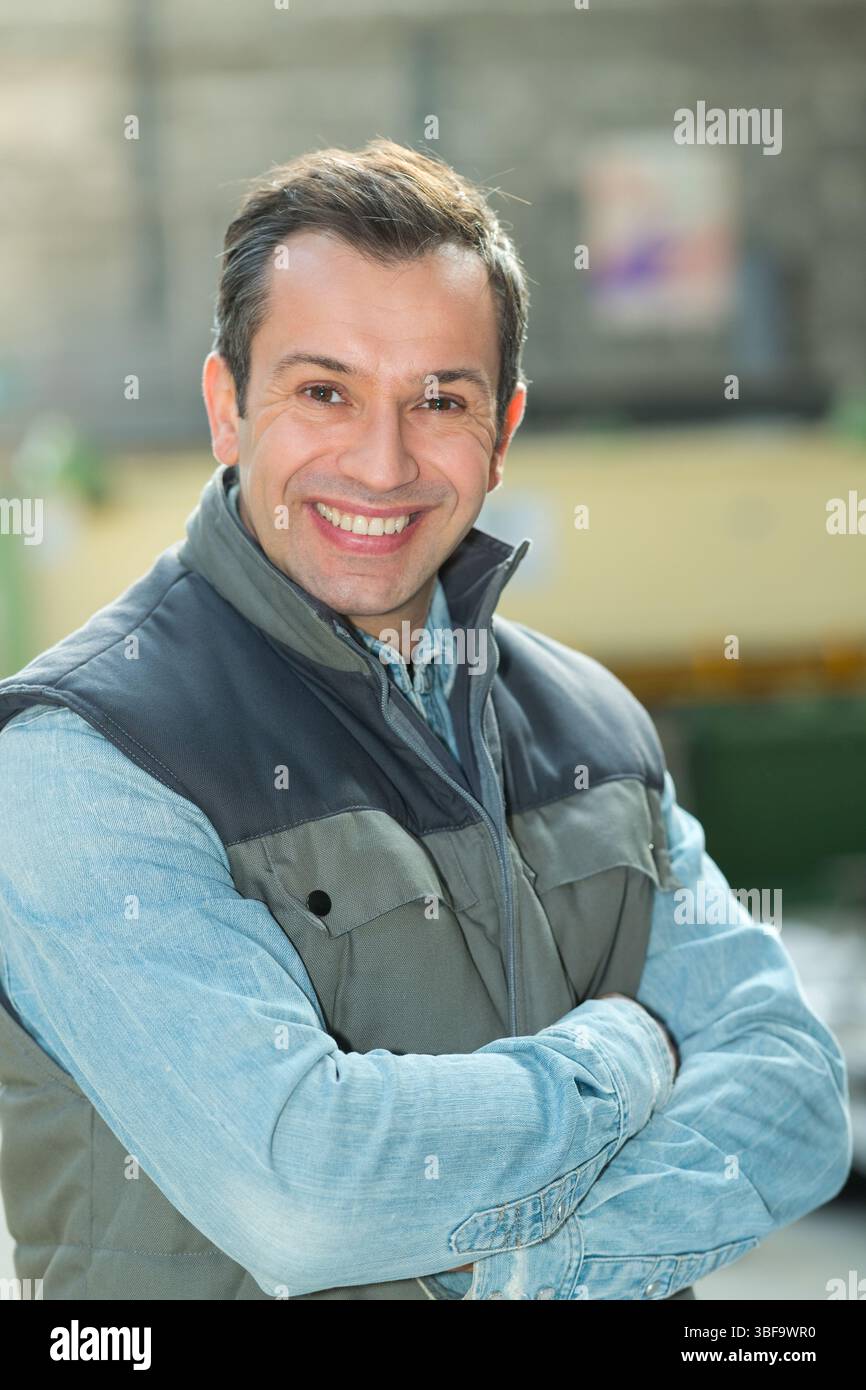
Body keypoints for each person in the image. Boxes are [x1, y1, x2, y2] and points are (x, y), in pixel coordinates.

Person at [0, 139, 851, 1301]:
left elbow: (791, 1092)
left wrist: (531, 1281)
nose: (382, 460)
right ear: (224, 408)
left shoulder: (592, 727)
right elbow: (301, 1194)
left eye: (438, 399)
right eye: (323, 391)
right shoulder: (82, 755)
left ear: (500, 430)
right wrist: (622, 1054)